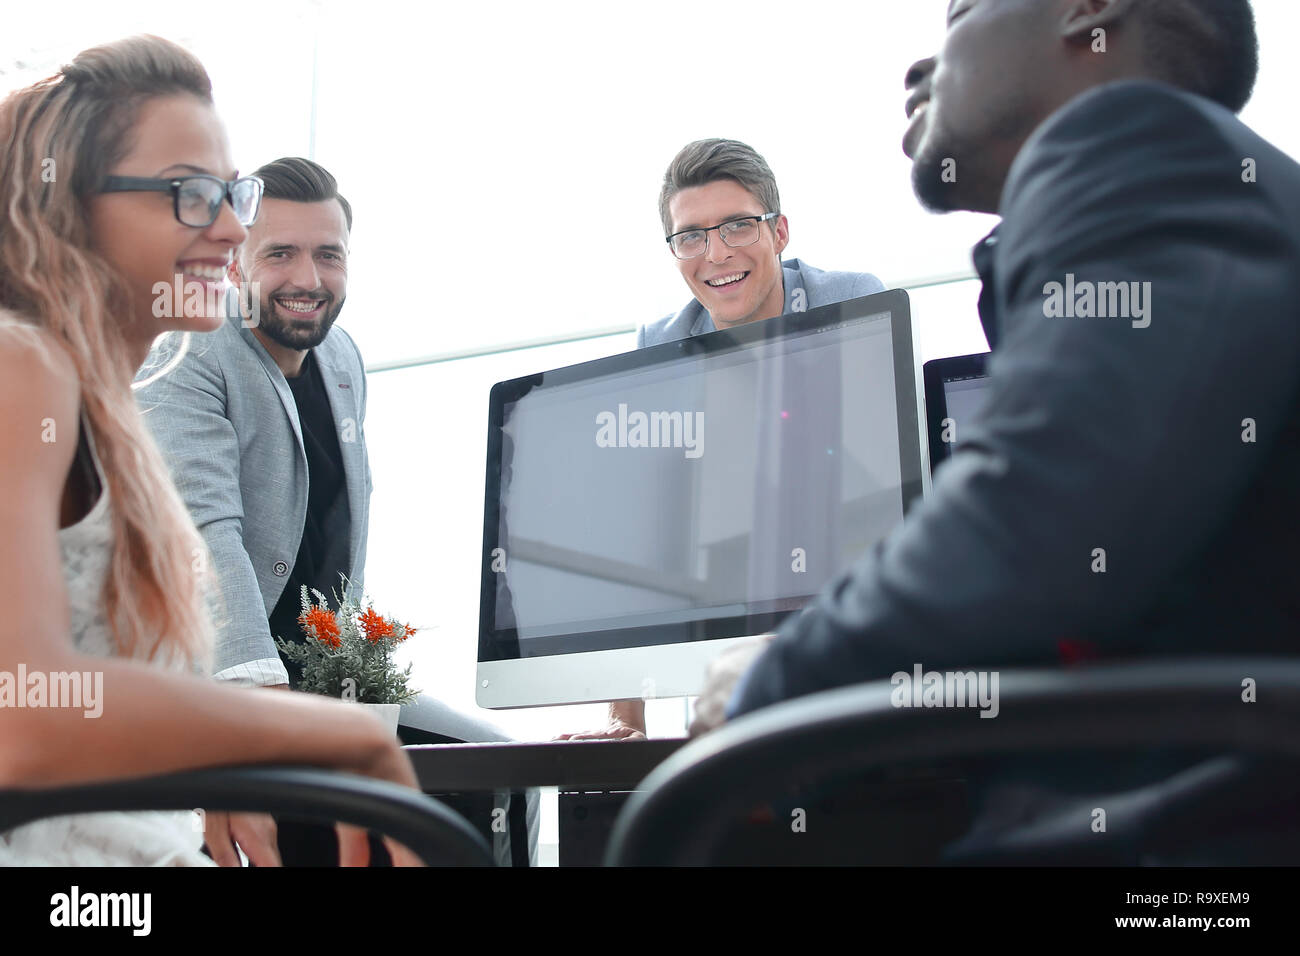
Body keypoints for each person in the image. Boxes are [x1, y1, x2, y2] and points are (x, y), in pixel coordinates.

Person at [692, 0, 1300, 863]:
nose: (920, 69)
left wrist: (772, 682)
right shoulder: (1175, 188)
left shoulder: (1139, 152)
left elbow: (1034, 527)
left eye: (961, 14)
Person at [0, 35, 420, 866]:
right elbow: (24, 712)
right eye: (191, 194)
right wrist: (340, 734)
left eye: (234, 192)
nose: (232, 226)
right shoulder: (22, 366)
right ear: (70, 205)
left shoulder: (108, 414)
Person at [136, 157, 536, 865]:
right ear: (234, 265)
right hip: (216, 684)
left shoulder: (342, 358)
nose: (308, 280)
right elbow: (204, 537)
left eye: (329, 255)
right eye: (280, 254)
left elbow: (326, 541)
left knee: (497, 768)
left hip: (322, 678)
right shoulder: (188, 350)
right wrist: (255, 718)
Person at [563, 138, 885, 739]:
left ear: (780, 232)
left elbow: (890, 491)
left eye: (737, 226)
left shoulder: (853, 303)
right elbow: (638, 536)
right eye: (690, 236)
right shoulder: (661, 347)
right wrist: (623, 716)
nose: (715, 254)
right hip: (731, 636)